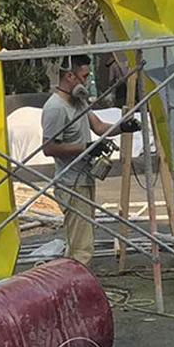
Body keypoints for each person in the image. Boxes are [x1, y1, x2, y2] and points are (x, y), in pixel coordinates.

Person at [41, 54, 140, 267]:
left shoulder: (79, 100)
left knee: (81, 238)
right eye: (84, 76)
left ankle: (74, 275)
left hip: (84, 180)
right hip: (71, 184)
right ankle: (76, 280)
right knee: (81, 246)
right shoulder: (56, 108)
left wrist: (123, 127)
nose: (86, 82)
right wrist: (86, 148)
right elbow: (48, 148)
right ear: (70, 76)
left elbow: (99, 127)